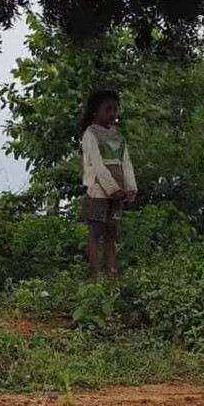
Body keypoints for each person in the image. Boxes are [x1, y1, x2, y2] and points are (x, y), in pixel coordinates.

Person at [79, 88, 137, 281]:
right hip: (99, 191)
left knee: (111, 232)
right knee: (96, 232)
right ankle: (96, 275)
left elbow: (126, 163)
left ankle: (112, 274)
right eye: (108, 109)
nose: (112, 113)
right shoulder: (90, 134)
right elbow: (97, 166)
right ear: (95, 111)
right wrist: (113, 189)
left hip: (118, 193)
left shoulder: (118, 136)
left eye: (115, 109)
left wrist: (130, 188)